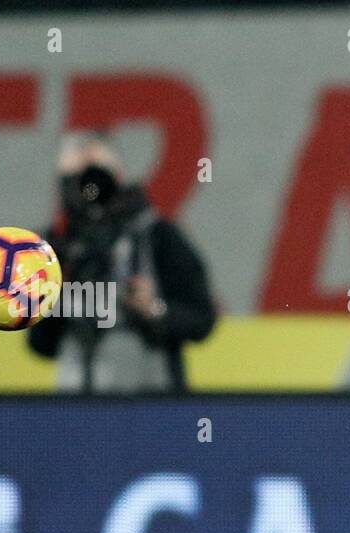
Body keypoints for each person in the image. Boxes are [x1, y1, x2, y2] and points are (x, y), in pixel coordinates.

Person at [27, 133, 217, 394]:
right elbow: (41, 345)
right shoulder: (55, 248)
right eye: (74, 180)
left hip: (150, 406)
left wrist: (155, 309)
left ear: (117, 179)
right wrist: (51, 296)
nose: (87, 192)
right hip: (76, 411)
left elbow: (202, 319)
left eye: (96, 179)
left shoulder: (156, 236)